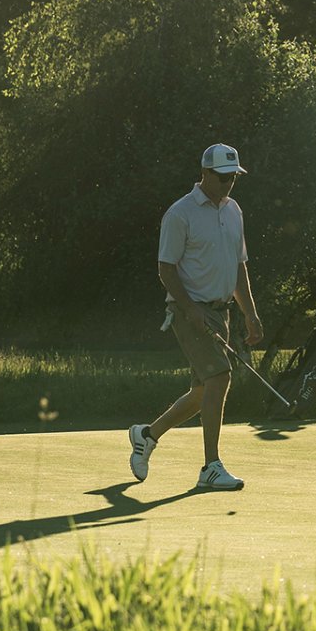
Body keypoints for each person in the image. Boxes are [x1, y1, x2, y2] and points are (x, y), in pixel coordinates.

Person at [129, 143, 264, 490]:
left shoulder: (234, 210)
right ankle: (211, 467)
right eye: (222, 178)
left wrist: (250, 314)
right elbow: (166, 268)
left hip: (222, 312)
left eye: (233, 178)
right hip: (188, 309)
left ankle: (147, 434)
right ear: (204, 174)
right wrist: (190, 309)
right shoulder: (180, 213)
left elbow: (238, 266)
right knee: (220, 377)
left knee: (202, 390)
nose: (228, 185)